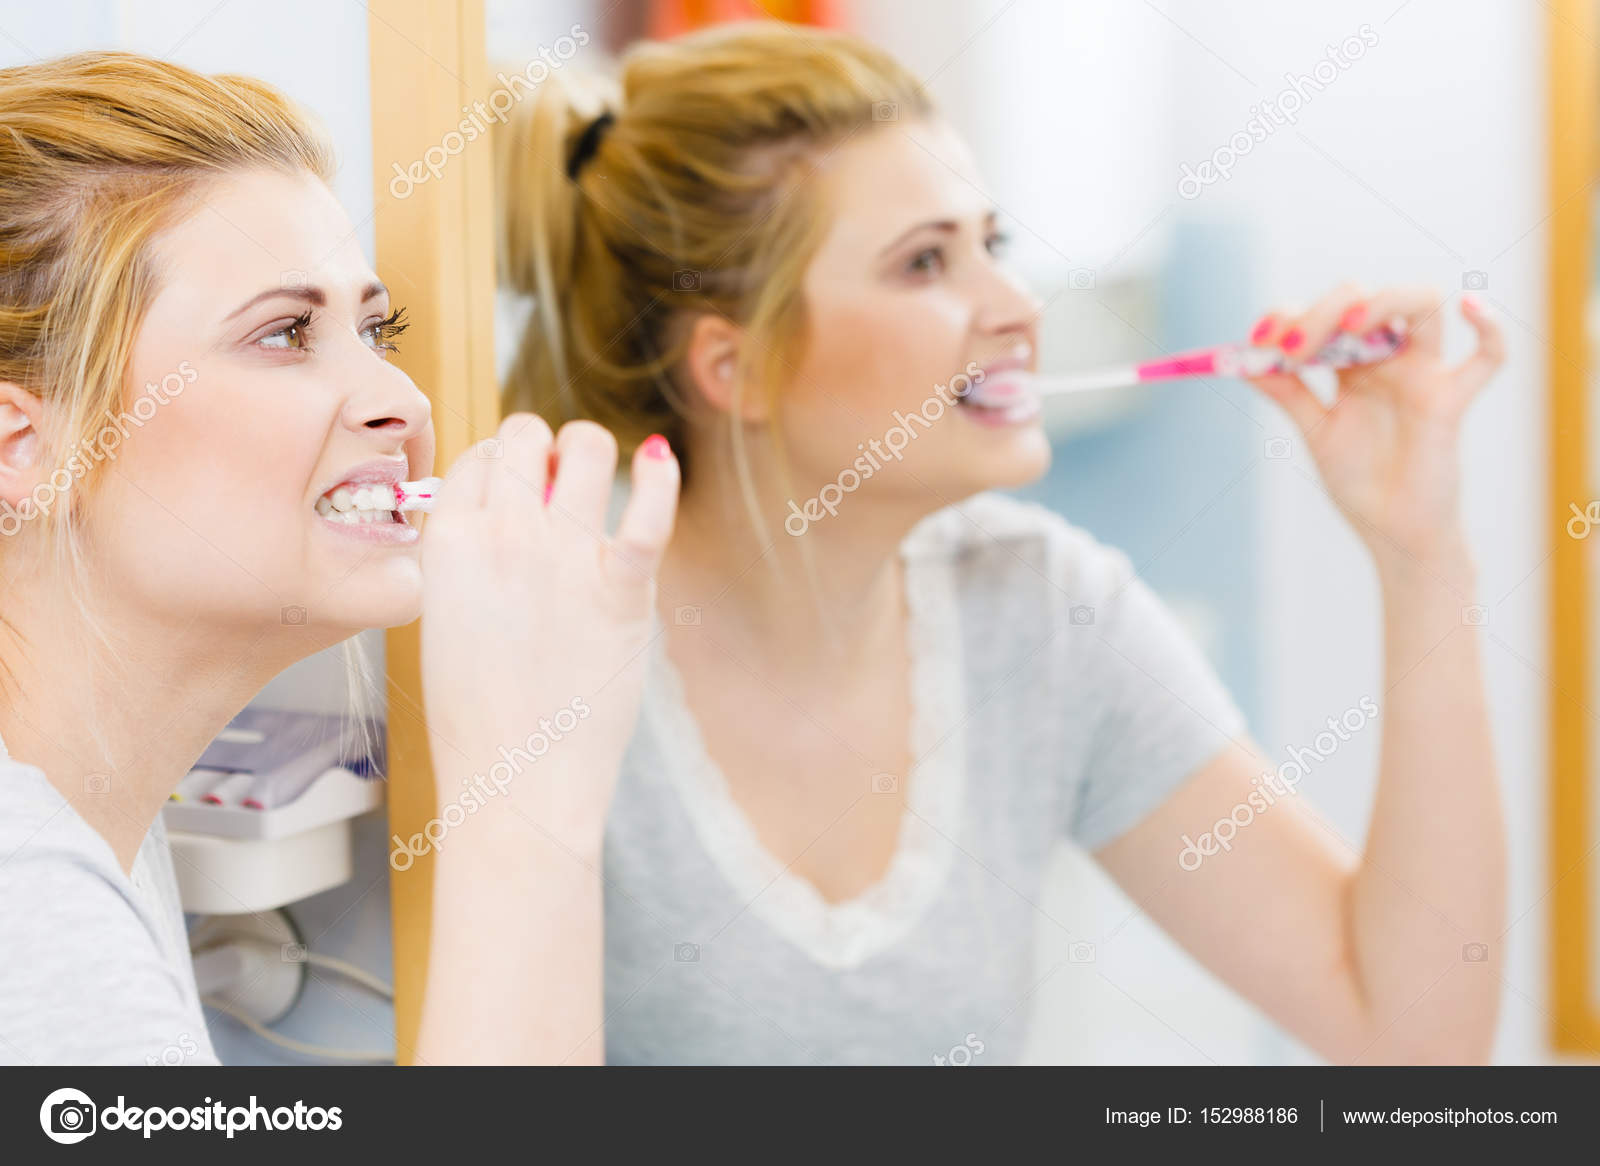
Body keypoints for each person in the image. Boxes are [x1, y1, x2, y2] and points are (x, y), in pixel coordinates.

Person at [495, 20, 1508, 1064]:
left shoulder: (1044, 614)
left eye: (996, 245)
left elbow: (1418, 1036)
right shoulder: (548, 651)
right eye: (925, 260)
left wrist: (1418, 548)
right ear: (734, 366)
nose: (1017, 306)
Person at [0, 51, 678, 1065]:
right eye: (282, 333)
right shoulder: (31, 902)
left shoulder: (89, 838)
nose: (402, 403)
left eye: (374, 328)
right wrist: (527, 793)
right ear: (26, 448)